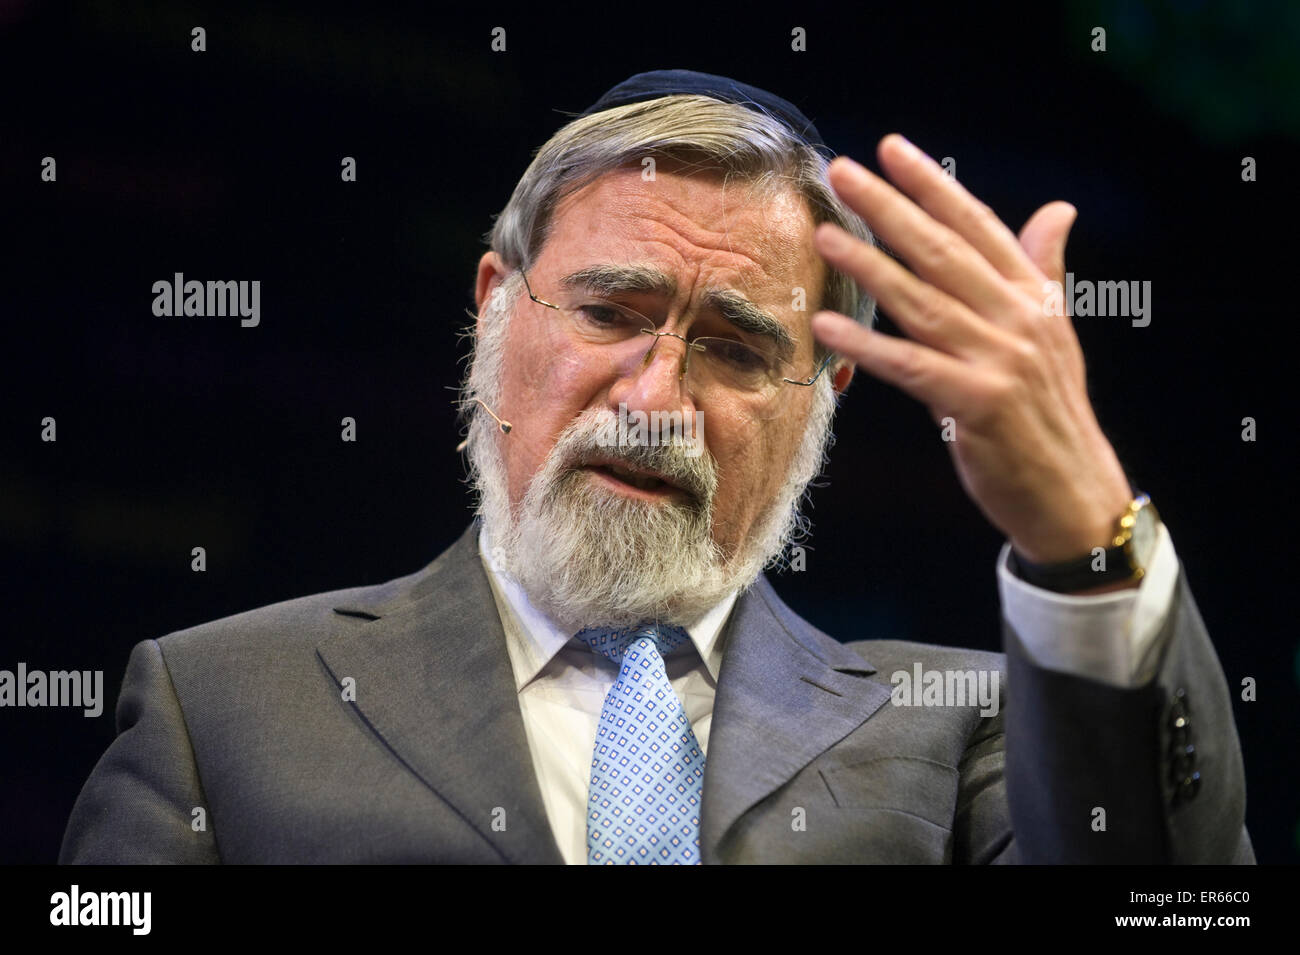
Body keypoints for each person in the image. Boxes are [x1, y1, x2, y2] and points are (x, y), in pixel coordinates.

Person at [61, 70, 1253, 864]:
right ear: (495, 309)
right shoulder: (222, 708)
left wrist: (1086, 532)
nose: (653, 400)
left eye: (736, 348)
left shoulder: (974, 737)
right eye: (610, 311)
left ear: (822, 396)